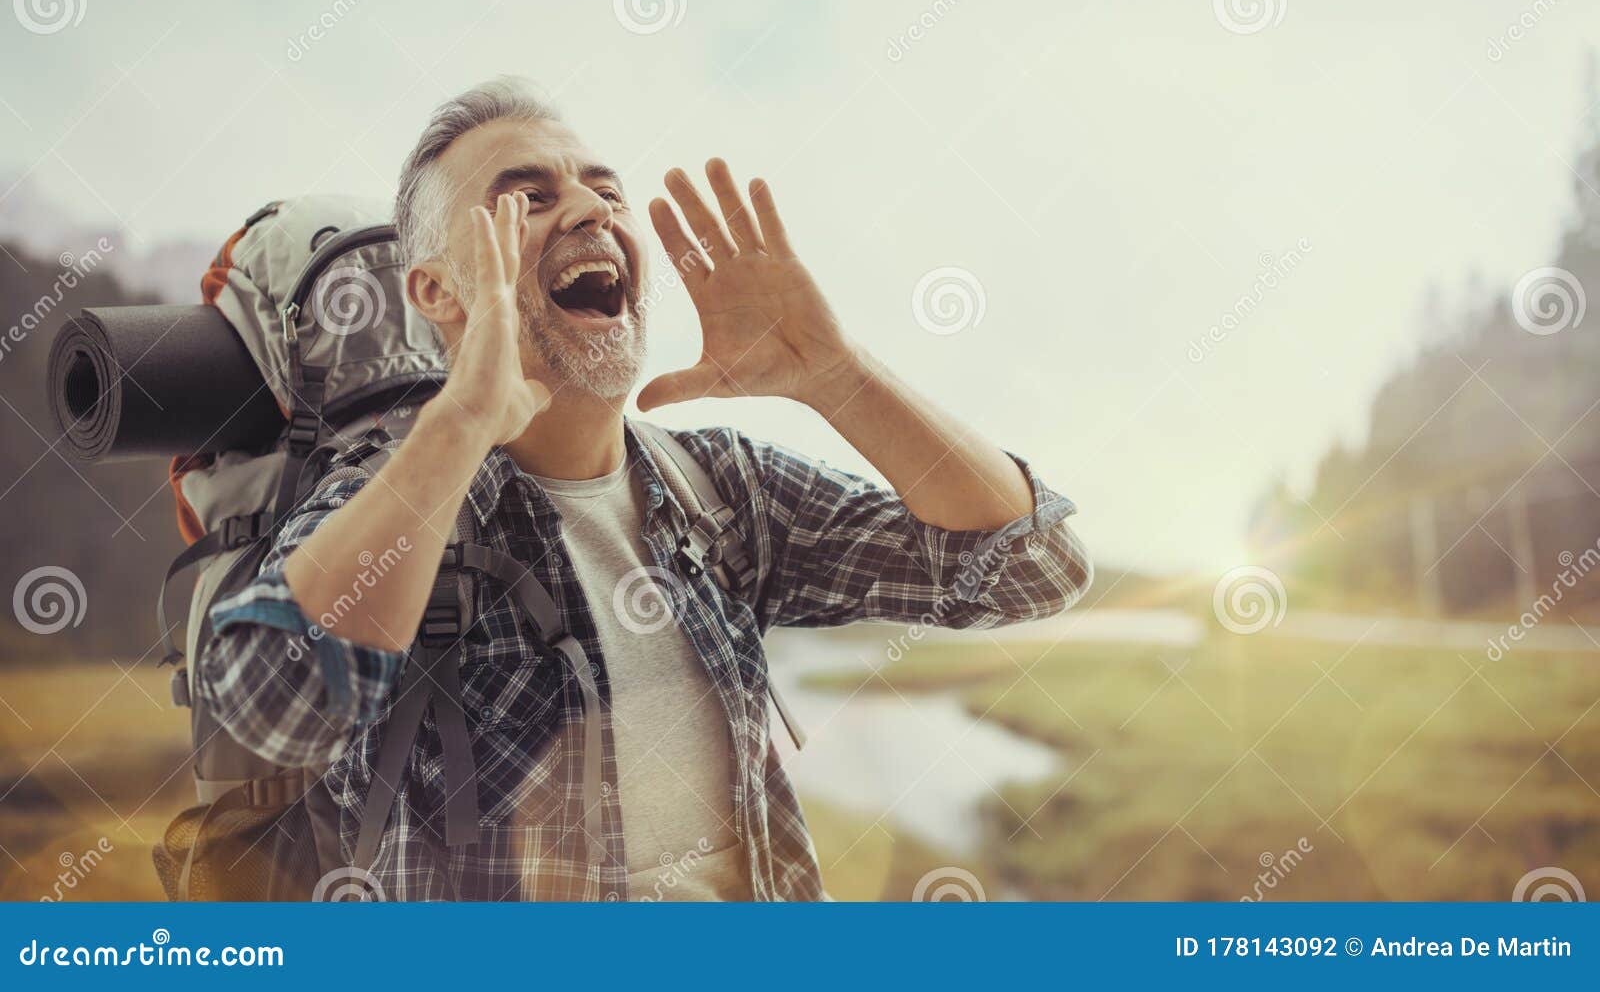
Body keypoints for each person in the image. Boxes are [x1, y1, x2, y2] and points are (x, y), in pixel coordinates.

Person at [198, 76, 1092, 901]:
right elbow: (265, 716)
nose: (590, 207)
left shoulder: (718, 488)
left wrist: (835, 373)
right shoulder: (398, 498)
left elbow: (1034, 567)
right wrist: (462, 420)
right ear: (435, 290)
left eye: (603, 190)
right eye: (530, 198)